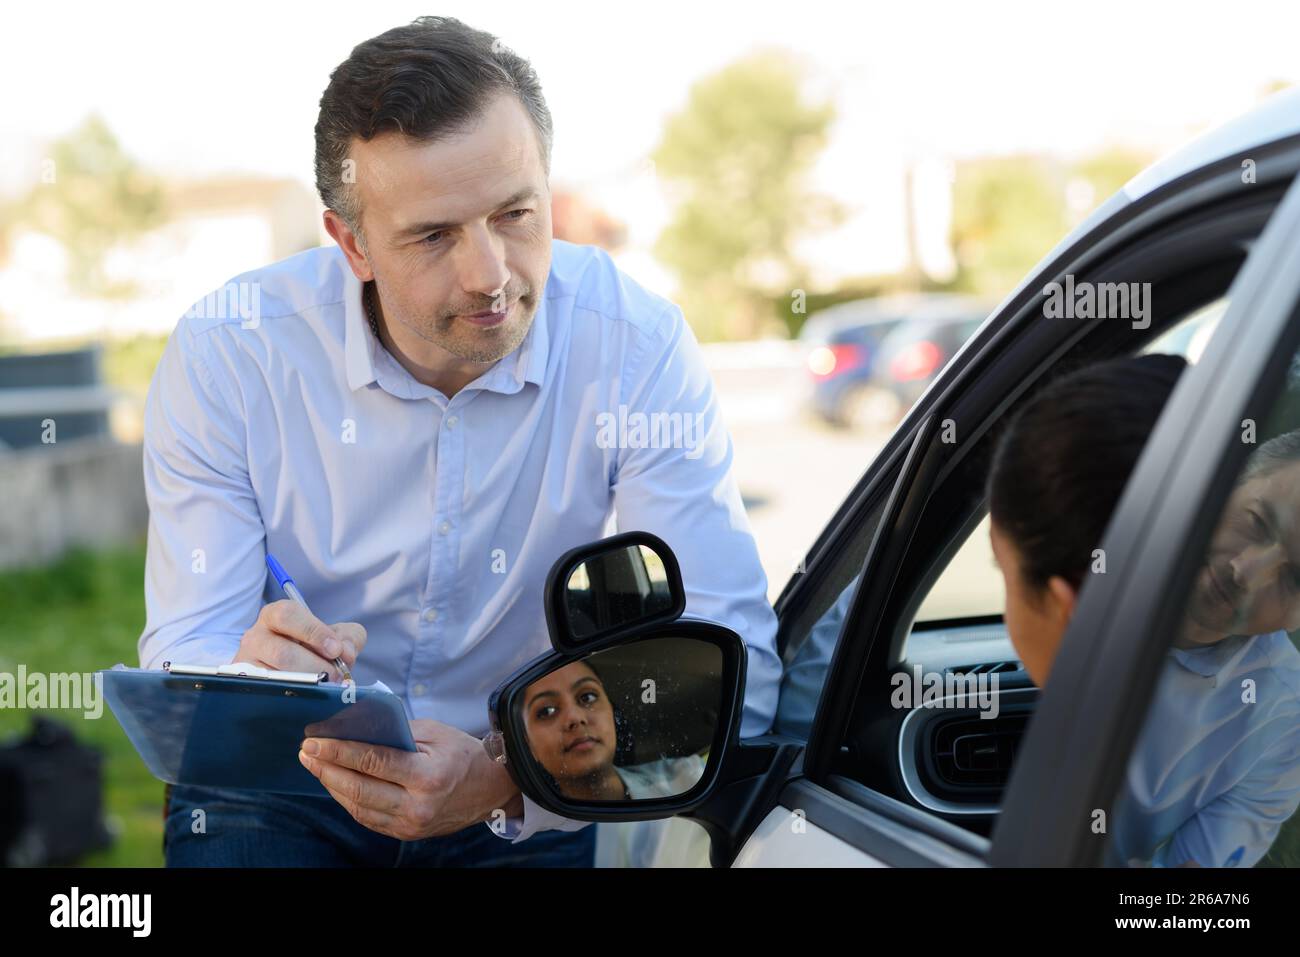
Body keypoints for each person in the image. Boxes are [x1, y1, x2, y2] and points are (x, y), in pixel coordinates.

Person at [144, 17, 780, 867]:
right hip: (283, 776)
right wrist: (249, 677)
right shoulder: (229, 351)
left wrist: (510, 778)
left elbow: (731, 658)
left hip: (528, 778)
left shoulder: (635, 343)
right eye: (434, 235)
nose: (490, 274)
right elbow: (190, 645)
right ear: (351, 242)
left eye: (516, 213)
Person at [987, 354, 1300, 867]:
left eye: (1295, 577)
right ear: (1224, 482)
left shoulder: (1280, 721)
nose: (1248, 570)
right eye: (1258, 521)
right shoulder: (1073, 533)